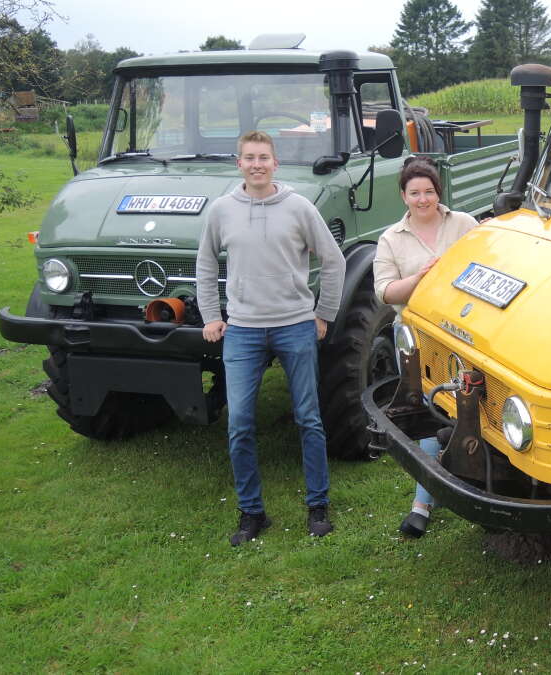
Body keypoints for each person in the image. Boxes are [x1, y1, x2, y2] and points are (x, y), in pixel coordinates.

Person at [196, 130, 346, 546]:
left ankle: (318, 506)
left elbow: (332, 261)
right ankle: (252, 513)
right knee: (240, 423)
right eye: (249, 157)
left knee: (308, 418)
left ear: (275, 163)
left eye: (264, 157)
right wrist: (211, 315)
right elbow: (206, 265)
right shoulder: (222, 211)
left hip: (295, 325)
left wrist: (324, 313)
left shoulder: (298, 207)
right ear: (239, 163)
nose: (257, 164)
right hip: (242, 330)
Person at [372, 156, 479, 538]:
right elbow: (385, 292)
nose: (423, 199)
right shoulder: (391, 239)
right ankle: (422, 502)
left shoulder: (465, 225)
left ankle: (476, 484)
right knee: (428, 417)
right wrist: (420, 278)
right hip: (417, 340)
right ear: (403, 196)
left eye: (429, 192)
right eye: (414, 193)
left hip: (468, 336)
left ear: (438, 193)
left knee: (477, 412)